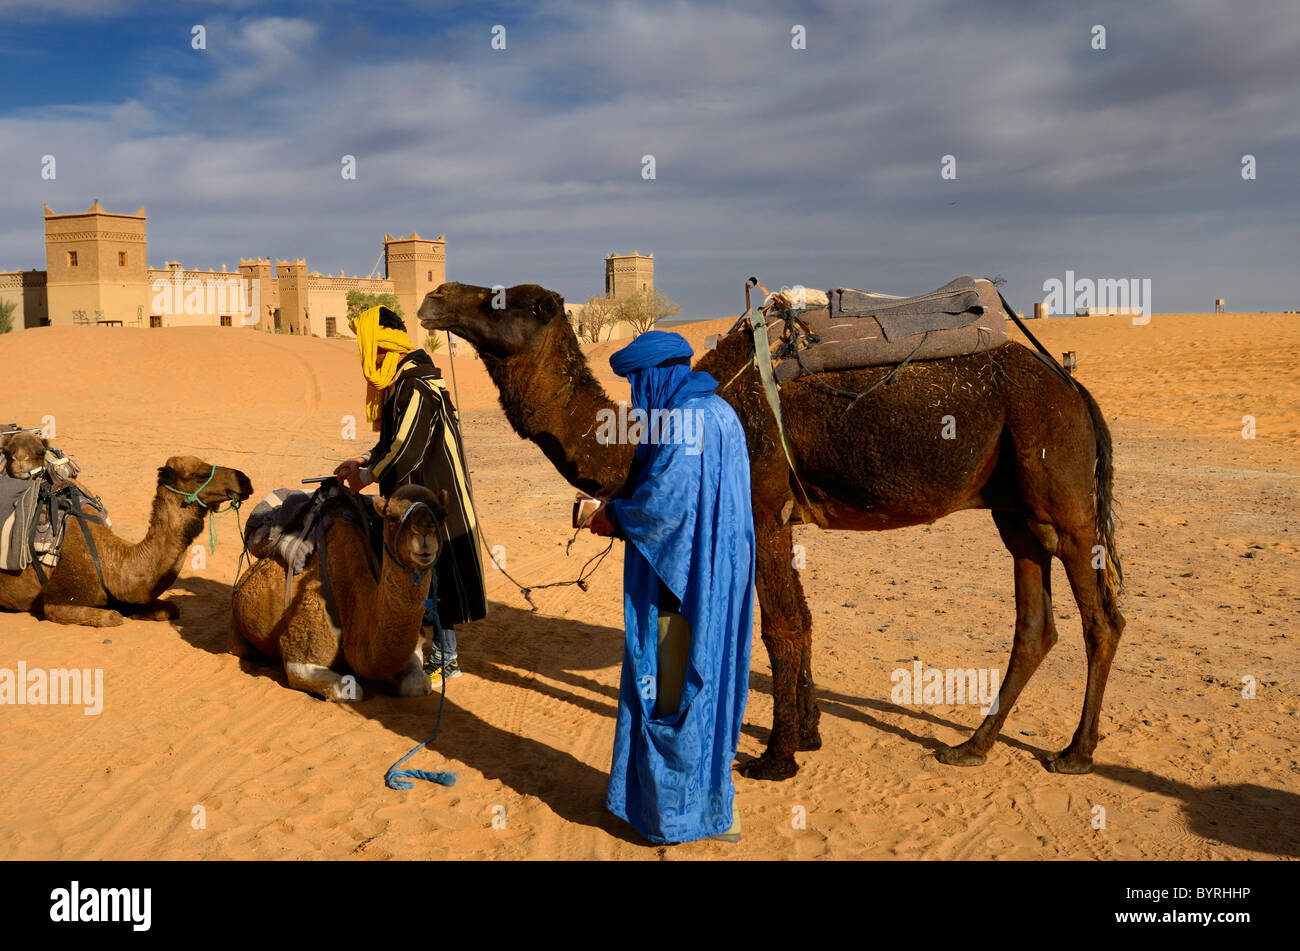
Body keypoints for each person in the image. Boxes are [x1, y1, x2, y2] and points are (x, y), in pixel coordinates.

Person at [587, 331, 755, 844]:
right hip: (718, 577)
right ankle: (710, 804)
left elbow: (665, 510)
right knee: (705, 684)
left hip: (680, 586)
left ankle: (675, 820)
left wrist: (611, 515)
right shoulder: (718, 412)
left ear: (657, 376)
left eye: (638, 383)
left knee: (670, 689)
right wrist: (625, 490)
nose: (636, 397)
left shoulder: (684, 422)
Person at [335, 305, 487, 686]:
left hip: (435, 494)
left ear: (383, 348)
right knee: (418, 570)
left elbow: (408, 446)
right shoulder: (403, 382)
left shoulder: (416, 383)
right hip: (416, 491)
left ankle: (445, 657)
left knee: (436, 571)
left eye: (369, 349)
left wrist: (369, 474)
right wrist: (364, 460)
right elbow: (391, 442)